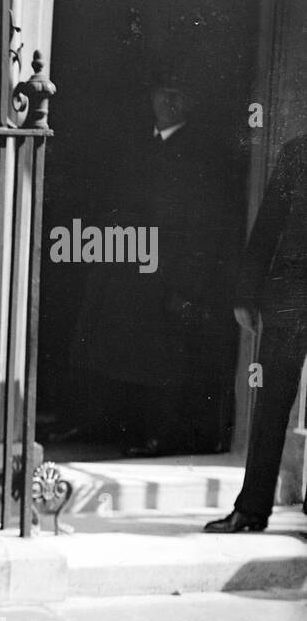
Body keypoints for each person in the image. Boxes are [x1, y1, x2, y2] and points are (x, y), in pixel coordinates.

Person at [70, 69, 240, 455]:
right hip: (128, 269)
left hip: (169, 277)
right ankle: (115, 428)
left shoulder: (201, 156)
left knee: (163, 360)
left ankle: (160, 436)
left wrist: (185, 287)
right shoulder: (138, 145)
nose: (168, 103)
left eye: (178, 95)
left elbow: (204, 229)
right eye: (162, 94)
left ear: (190, 103)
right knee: (121, 352)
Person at [206, 134, 307, 533]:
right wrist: (246, 293)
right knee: (270, 406)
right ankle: (251, 509)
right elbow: (269, 222)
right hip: (290, 295)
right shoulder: (299, 152)